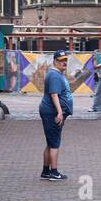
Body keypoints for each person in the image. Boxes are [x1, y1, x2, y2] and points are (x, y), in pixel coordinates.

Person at [39, 50, 72, 181]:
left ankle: (46, 171)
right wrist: (59, 112)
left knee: (50, 142)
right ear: (55, 61)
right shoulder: (54, 75)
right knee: (54, 143)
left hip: (50, 111)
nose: (64, 62)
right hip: (52, 112)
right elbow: (54, 94)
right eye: (61, 60)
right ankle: (54, 172)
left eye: (65, 60)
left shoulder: (56, 74)